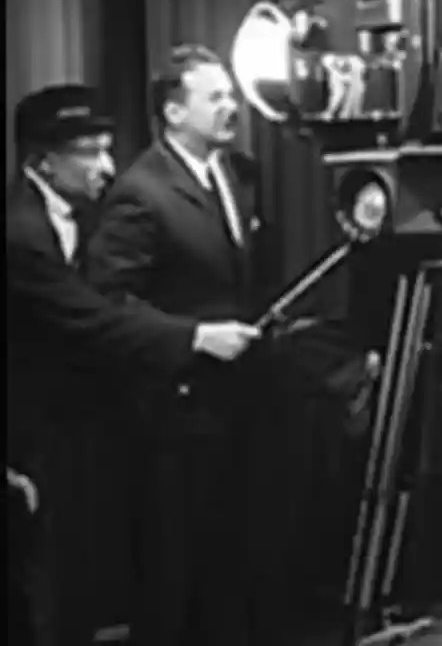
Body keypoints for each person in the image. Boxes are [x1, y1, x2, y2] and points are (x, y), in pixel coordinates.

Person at [6, 84, 259, 646]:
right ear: (43, 161)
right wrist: (196, 337)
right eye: (90, 153)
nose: (107, 167)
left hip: (74, 431)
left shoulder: (77, 213)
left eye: (107, 148)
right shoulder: (20, 233)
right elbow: (92, 317)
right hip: (33, 438)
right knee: (47, 595)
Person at [82, 45, 272, 646]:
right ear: (173, 111)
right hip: (173, 411)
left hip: (235, 404)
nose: (232, 107)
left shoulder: (237, 176)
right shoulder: (142, 191)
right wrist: (193, 337)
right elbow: (108, 301)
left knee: (228, 567)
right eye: (215, 97)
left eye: (231, 94)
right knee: (174, 571)